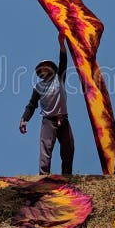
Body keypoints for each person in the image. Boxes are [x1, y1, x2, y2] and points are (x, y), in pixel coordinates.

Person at [19, 33, 75, 175]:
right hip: (48, 121)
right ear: (39, 73)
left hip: (63, 118)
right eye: (41, 69)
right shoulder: (38, 87)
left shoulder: (59, 77)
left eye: (47, 67)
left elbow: (63, 61)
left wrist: (61, 44)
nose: (44, 70)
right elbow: (31, 105)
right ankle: (44, 177)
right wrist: (24, 119)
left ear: (52, 69)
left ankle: (67, 176)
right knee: (46, 149)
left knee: (68, 148)